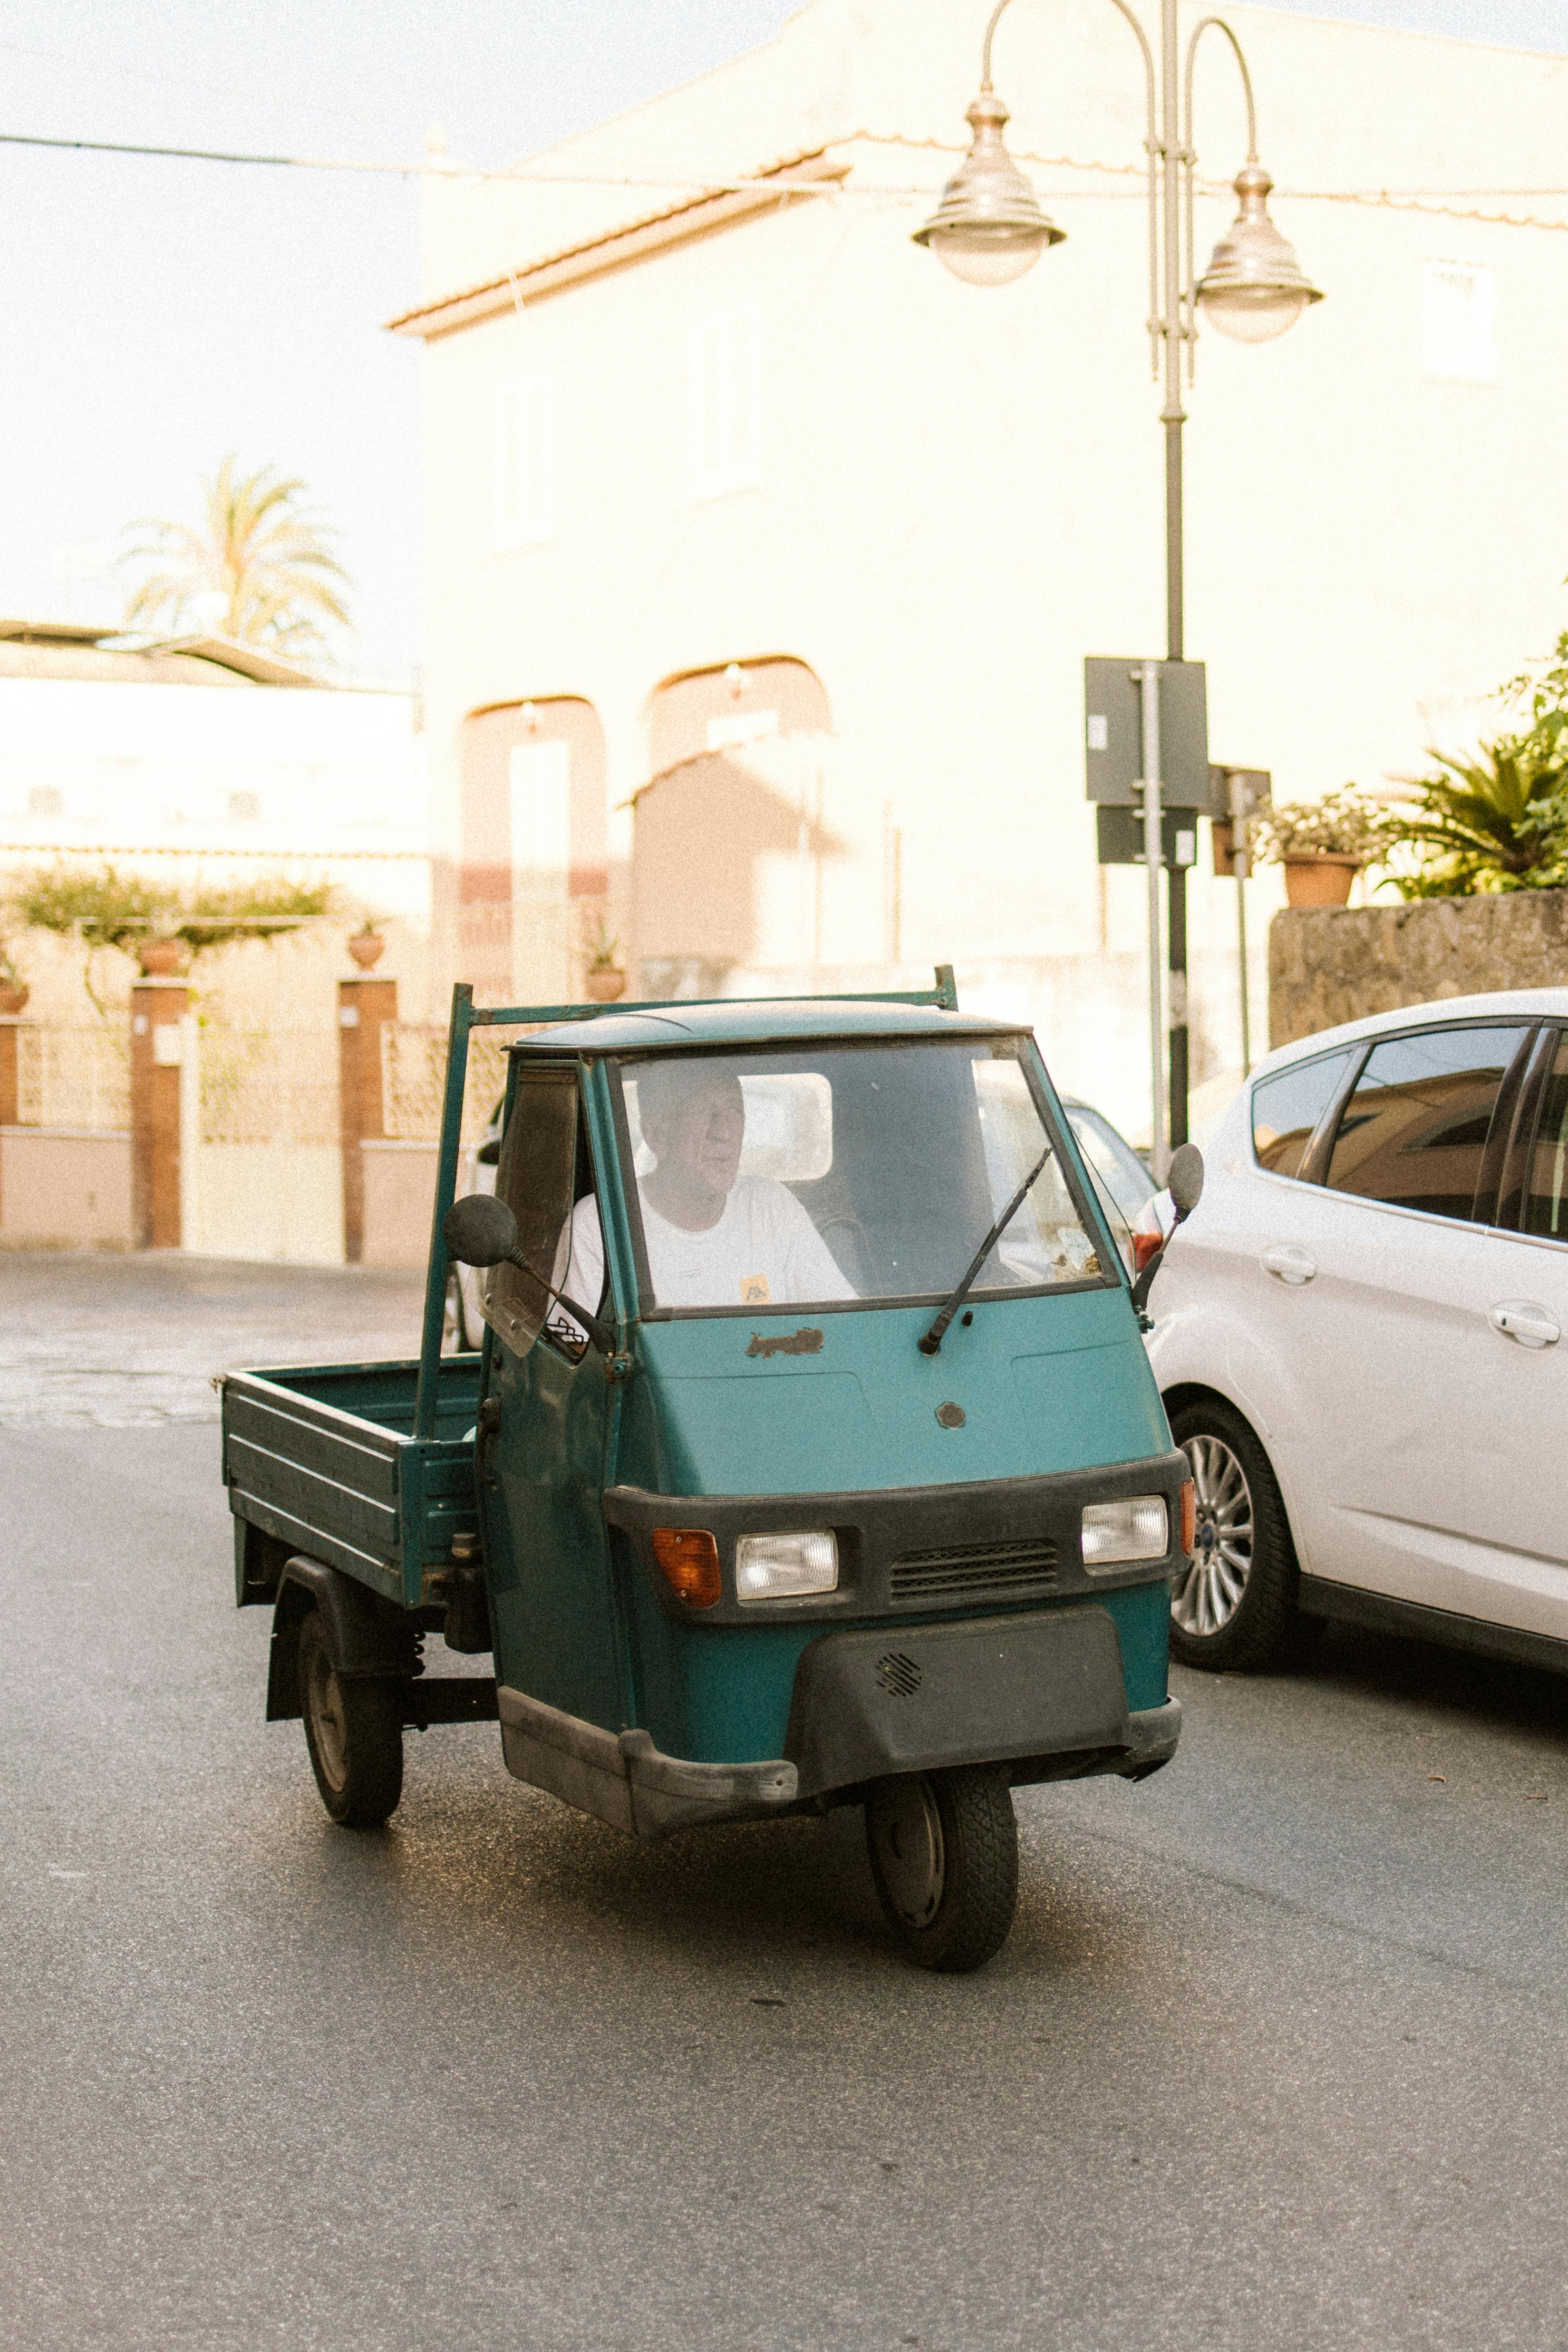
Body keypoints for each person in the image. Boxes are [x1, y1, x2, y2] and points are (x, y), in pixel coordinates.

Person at [552, 1061, 855, 1326]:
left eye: (734, 1111)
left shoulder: (770, 1207)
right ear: (657, 1135)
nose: (725, 1132)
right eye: (702, 1111)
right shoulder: (600, 1224)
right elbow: (572, 1348)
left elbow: (845, 1323)